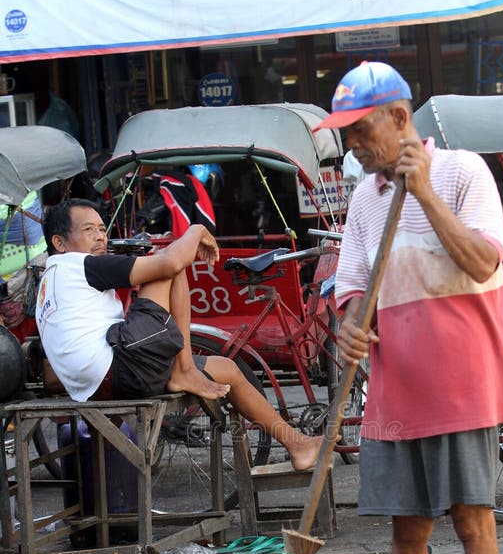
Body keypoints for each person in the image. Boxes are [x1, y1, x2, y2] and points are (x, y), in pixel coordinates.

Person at [314, 62, 503, 554]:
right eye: (344, 134)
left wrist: (427, 192)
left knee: (471, 518)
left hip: (462, 378)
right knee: (406, 529)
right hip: (397, 383)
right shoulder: (365, 199)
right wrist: (348, 324)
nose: (353, 145)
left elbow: (484, 259)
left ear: (401, 119)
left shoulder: (464, 172)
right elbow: (351, 283)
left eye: (361, 129)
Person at [35, 198, 321, 472]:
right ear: (59, 243)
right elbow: (171, 263)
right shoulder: (79, 264)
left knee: (228, 370)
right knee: (169, 264)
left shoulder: (50, 279)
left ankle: (297, 445)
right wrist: (196, 231)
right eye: (88, 230)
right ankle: (183, 369)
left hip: (100, 383)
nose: (100, 237)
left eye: (101, 229)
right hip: (119, 370)